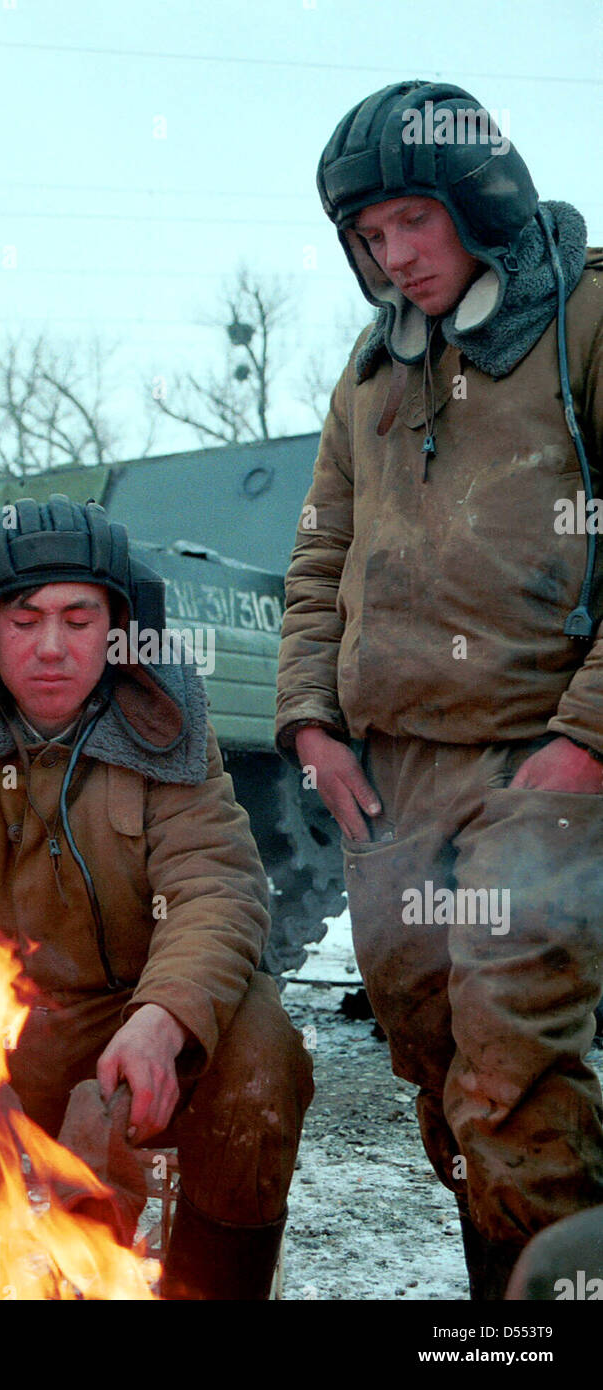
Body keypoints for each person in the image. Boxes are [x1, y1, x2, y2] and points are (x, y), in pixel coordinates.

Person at [276, 79, 603, 1299]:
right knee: (435, 1075)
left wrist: (579, 747)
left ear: (478, 197)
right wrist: (309, 726)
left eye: (412, 219)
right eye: (367, 234)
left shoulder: (582, 325)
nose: (391, 254)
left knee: (509, 1081)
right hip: (387, 782)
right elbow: (316, 559)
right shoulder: (368, 372)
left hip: (537, 761)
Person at [0, 494, 313, 1300]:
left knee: (260, 1052)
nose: (51, 648)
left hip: (128, 1018)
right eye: (24, 621)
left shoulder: (164, 720)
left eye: (79, 619)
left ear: (118, 624)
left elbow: (216, 888)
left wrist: (164, 1023)